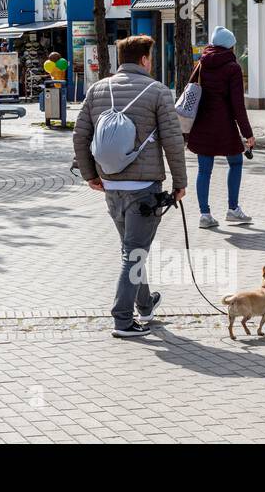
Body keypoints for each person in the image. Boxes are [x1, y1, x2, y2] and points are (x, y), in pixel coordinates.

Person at [73, 34, 187, 338]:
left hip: (111, 185)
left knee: (133, 248)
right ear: (145, 60)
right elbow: (173, 142)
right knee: (134, 253)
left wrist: (90, 175)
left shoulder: (97, 90)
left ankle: (145, 304)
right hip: (144, 188)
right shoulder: (158, 91)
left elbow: (79, 136)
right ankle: (123, 319)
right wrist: (180, 183)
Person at [186, 25, 255, 229]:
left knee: (204, 170)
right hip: (225, 127)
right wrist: (247, 134)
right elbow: (238, 106)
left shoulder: (202, 63)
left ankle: (205, 215)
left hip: (202, 124)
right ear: (230, 47)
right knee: (235, 163)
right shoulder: (233, 68)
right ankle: (233, 209)